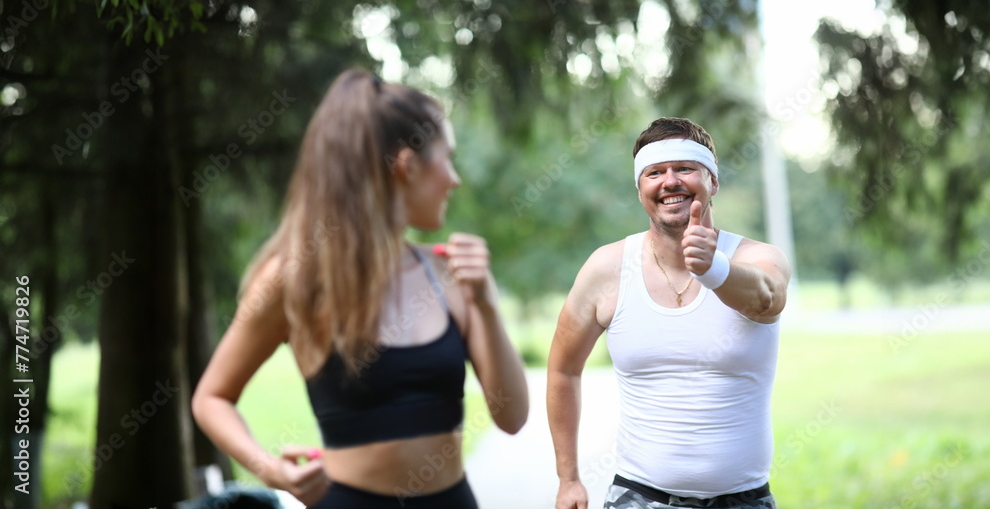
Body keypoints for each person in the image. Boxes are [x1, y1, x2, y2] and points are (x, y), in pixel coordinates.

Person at [192, 69, 529, 509]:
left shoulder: (450, 275)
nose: (454, 178)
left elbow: (512, 416)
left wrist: (485, 302)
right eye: (447, 158)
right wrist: (272, 471)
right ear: (407, 166)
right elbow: (212, 397)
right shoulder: (296, 279)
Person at [547, 117, 789, 509]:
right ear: (640, 188)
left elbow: (767, 299)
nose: (670, 181)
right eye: (655, 172)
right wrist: (568, 479)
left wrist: (714, 268)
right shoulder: (606, 269)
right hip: (637, 497)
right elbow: (563, 368)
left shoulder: (756, 258)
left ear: (713, 181)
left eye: (685, 168)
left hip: (742, 500)